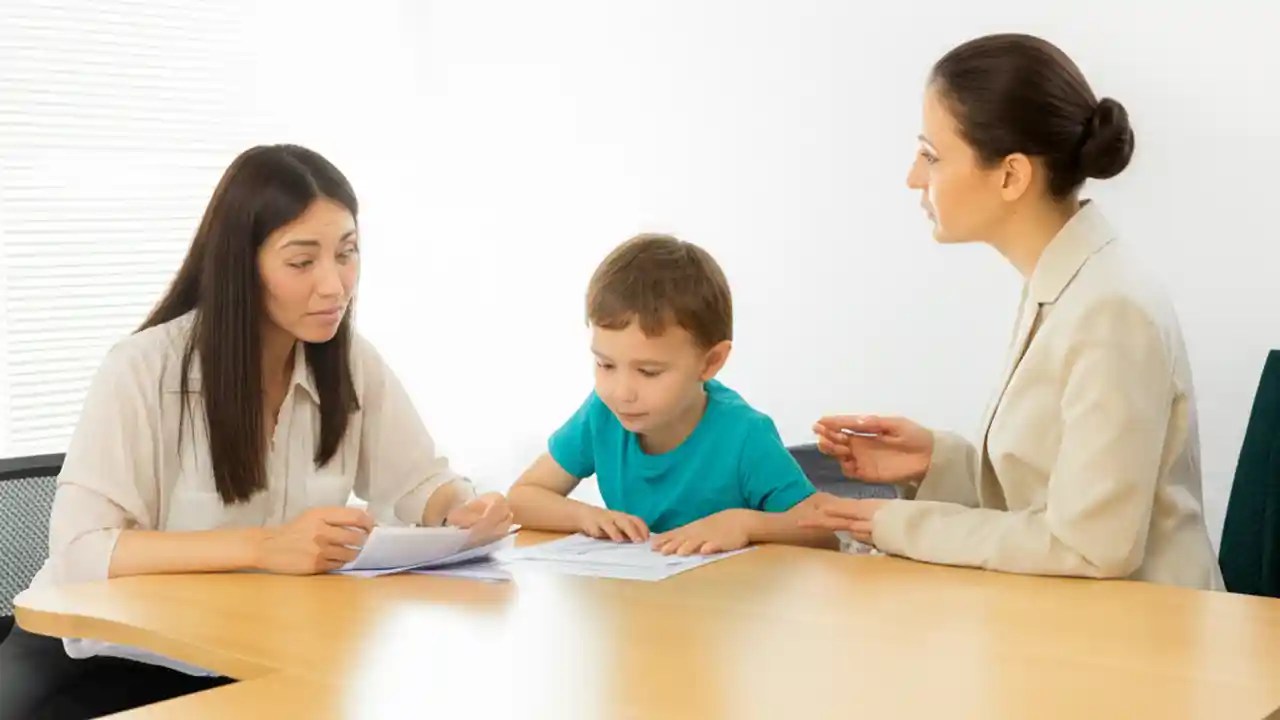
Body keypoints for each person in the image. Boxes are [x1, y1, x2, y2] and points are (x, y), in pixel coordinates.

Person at [0, 144, 512, 719]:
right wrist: (267, 547)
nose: (335, 286)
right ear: (241, 264)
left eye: (347, 254)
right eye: (302, 262)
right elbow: (81, 550)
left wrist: (460, 508)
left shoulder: (347, 362)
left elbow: (418, 481)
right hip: (105, 663)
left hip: (248, 655)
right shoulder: (144, 369)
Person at [805, 34, 1223, 590]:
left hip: (1146, 641)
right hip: (1077, 622)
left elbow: (1091, 545)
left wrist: (898, 524)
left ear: (1011, 175)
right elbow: (1051, 495)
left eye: (931, 155)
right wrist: (937, 462)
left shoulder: (1111, 309)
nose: (913, 177)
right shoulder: (1063, 284)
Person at [509, 234, 836, 555]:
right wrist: (587, 517)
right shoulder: (601, 414)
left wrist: (744, 524)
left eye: (649, 372)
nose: (622, 392)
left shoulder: (744, 435)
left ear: (710, 362)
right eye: (605, 364)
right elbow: (522, 497)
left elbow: (824, 532)